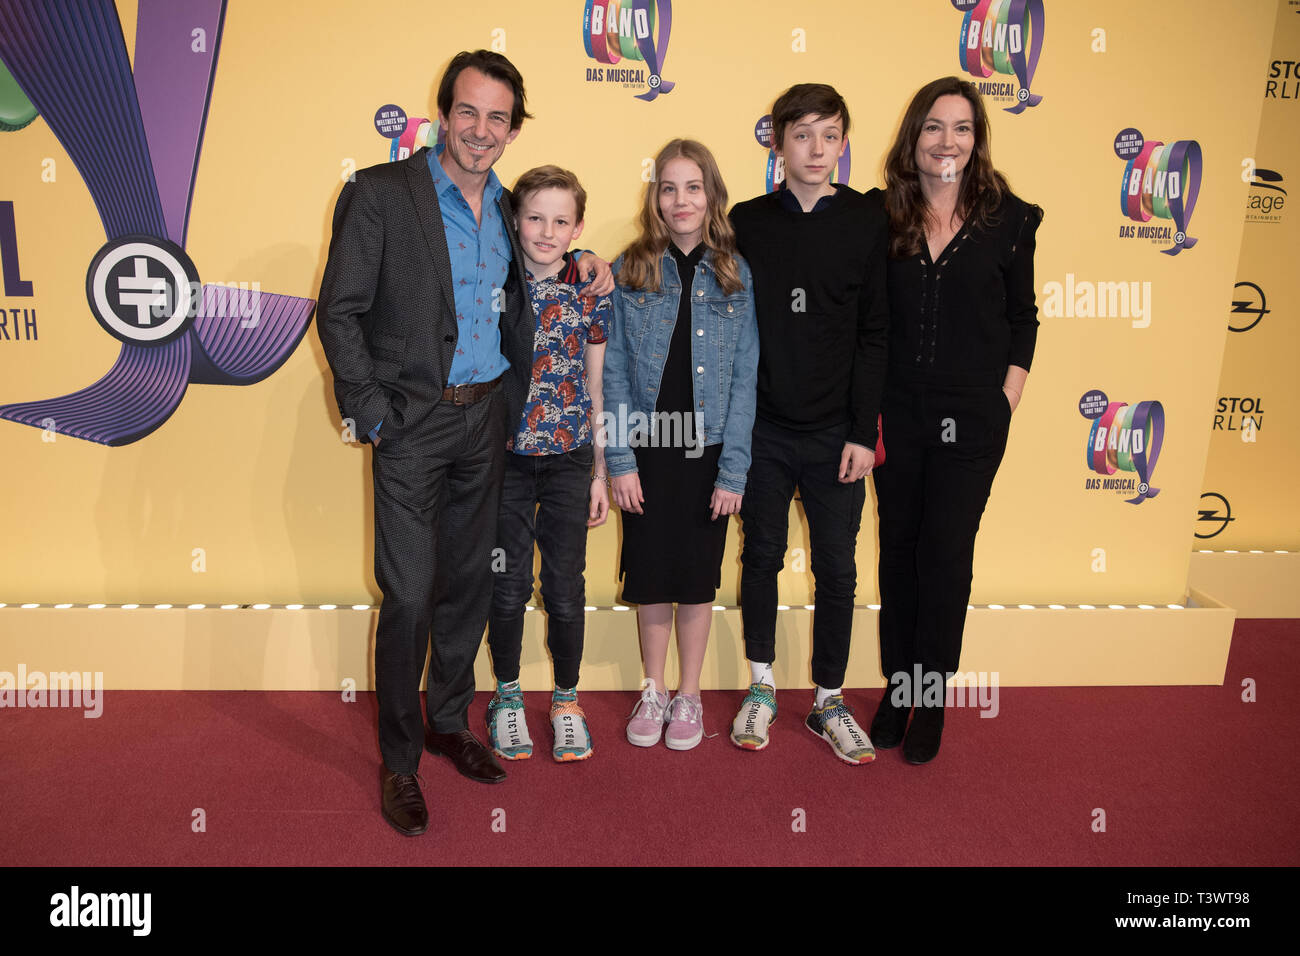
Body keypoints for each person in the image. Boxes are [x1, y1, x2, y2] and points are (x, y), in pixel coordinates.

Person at [317, 50, 612, 837]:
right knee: (410, 593)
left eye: (498, 118)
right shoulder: (381, 194)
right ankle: (399, 761)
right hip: (410, 426)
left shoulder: (515, 211)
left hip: (489, 423)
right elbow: (339, 310)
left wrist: (588, 261)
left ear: (513, 130)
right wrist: (372, 413)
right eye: (469, 112)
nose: (482, 130)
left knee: (468, 587)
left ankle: (448, 722)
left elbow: (552, 257)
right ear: (444, 114)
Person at [872, 76, 1042, 764]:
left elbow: (1023, 319)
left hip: (972, 419)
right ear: (913, 137)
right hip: (897, 415)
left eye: (962, 128)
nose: (948, 141)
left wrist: (1006, 399)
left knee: (945, 557)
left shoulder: (1011, 219)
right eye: (934, 127)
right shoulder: (882, 215)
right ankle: (899, 690)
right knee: (899, 555)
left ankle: (932, 697)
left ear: (978, 139)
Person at [727, 84, 889, 764]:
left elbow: (876, 332)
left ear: (843, 142)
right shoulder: (747, 220)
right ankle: (761, 685)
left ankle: (828, 698)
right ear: (777, 142)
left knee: (837, 569)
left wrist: (862, 432)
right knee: (761, 556)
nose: (817, 149)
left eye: (829, 135)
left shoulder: (867, 220)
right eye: (802, 135)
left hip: (836, 435)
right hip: (763, 428)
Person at [604, 139, 758, 752]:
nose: (681, 200)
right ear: (655, 198)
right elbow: (613, 369)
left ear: (712, 195)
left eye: (693, 187)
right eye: (668, 188)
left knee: (695, 577)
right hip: (647, 448)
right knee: (650, 575)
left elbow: (745, 376)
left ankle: (689, 695)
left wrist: (734, 470)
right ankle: (654, 689)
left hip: (707, 451)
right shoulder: (631, 268)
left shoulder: (734, 273)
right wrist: (619, 460)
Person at [485, 165, 612, 763]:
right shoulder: (496, 282)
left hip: (569, 460)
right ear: (515, 220)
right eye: (535, 217)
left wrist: (599, 472)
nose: (546, 231)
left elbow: (596, 385)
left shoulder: (589, 290)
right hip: (504, 460)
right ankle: (507, 696)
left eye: (561, 221)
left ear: (577, 227)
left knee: (564, 587)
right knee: (507, 584)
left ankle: (566, 700)